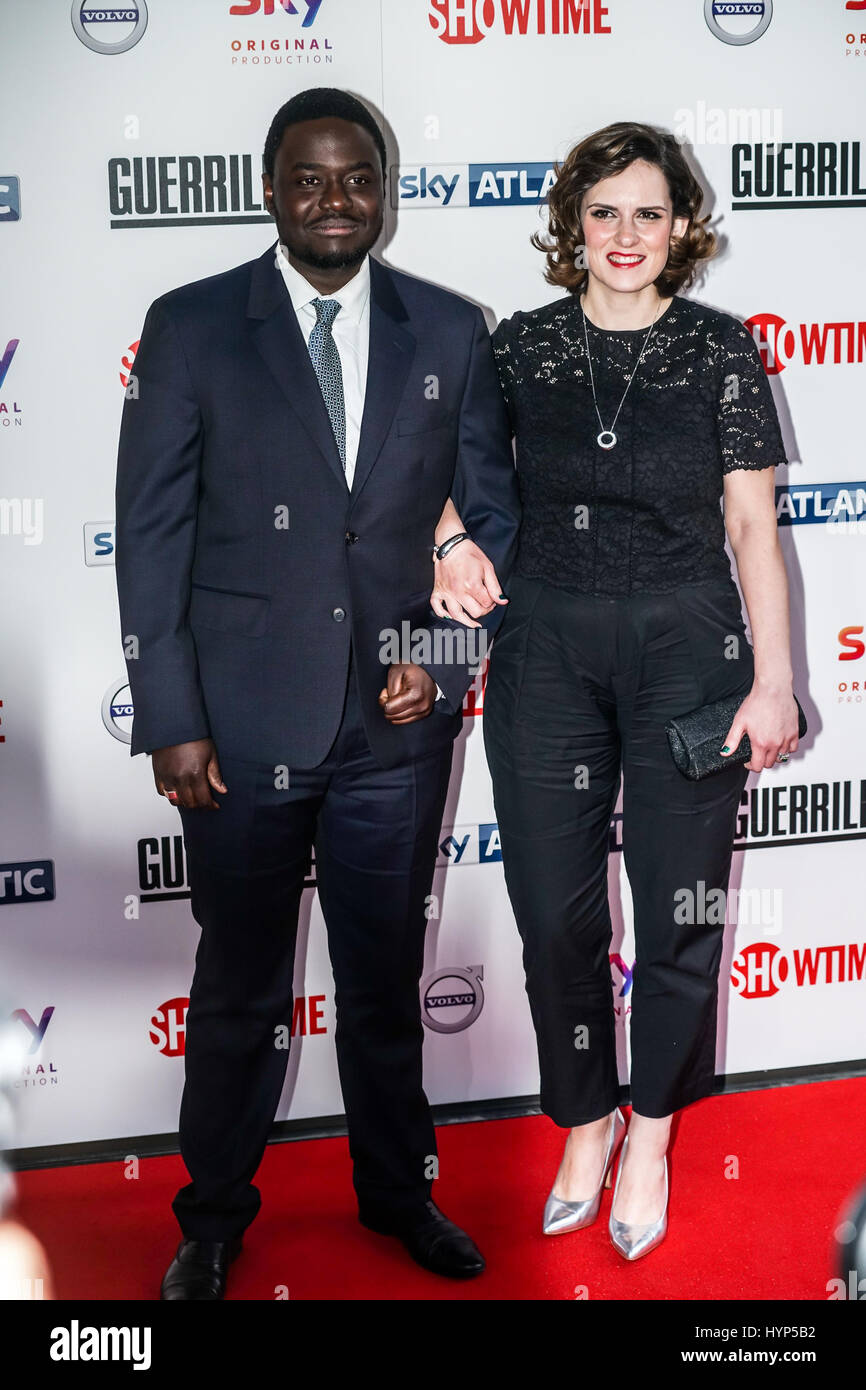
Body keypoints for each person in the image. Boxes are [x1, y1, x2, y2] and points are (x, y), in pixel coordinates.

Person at [115, 87, 520, 1299]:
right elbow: (151, 537)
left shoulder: (449, 330)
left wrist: (438, 659)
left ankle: (399, 1196)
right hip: (236, 733)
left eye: (356, 178)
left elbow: (493, 522)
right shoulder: (190, 328)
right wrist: (173, 716)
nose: (334, 200)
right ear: (271, 189)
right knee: (238, 990)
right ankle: (213, 1220)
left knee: (383, 984)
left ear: (384, 188)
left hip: (394, 736)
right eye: (308, 178)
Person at [432, 122, 799, 1260]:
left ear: (681, 226)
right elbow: (448, 479)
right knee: (553, 917)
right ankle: (582, 1119)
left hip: (690, 650)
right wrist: (446, 540)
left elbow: (751, 523)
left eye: (647, 212)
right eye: (602, 212)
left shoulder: (720, 349)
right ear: (570, 227)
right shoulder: (518, 349)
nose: (624, 235)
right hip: (542, 647)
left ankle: (649, 1131)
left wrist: (775, 680)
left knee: (681, 914)